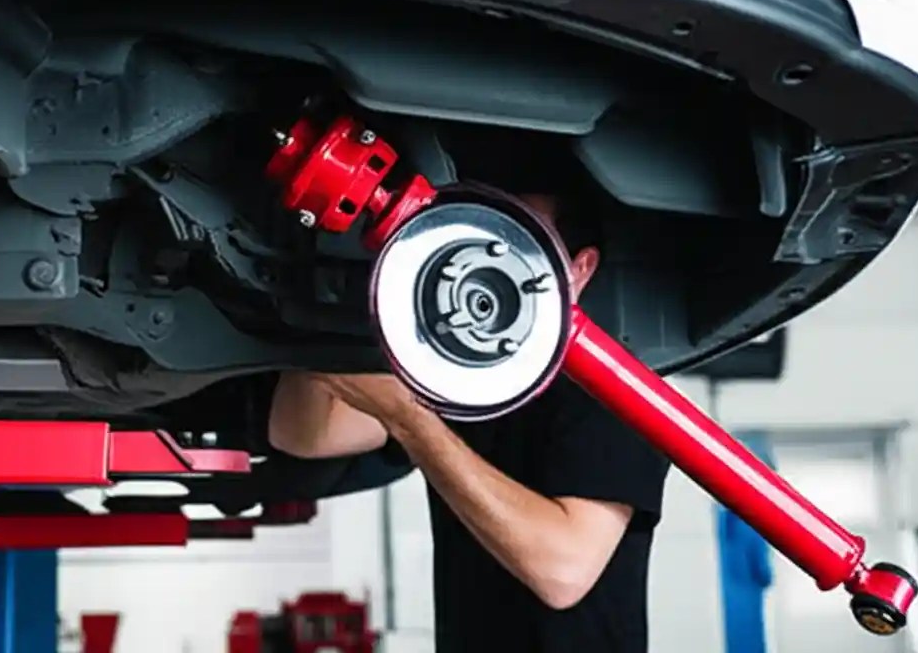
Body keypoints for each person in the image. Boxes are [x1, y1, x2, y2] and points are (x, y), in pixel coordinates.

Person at [268, 184, 672, 653]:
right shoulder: (457, 381)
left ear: (580, 271)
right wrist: (327, 326)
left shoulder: (611, 394)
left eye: (526, 246)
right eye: (492, 238)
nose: (494, 270)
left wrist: (410, 420)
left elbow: (563, 572)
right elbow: (300, 434)